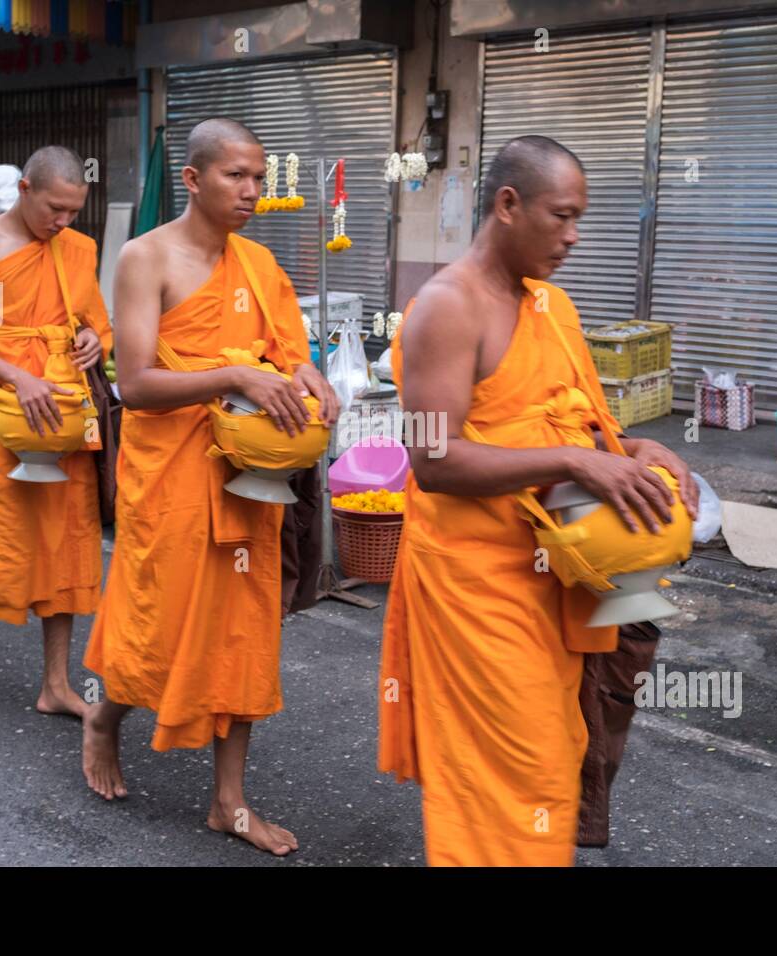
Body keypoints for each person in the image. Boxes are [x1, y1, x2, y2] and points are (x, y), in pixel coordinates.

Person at [377, 135, 699, 866]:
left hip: (560, 576)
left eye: (580, 218)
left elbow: (583, 422)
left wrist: (634, 454)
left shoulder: (553, 305)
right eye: (563, 216)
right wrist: (570, 460)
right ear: (509, 204)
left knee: (554, 758)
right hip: (477, 587)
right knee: (510, 772)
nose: (574, 237)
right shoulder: (444, 309)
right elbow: (432, 460)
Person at [80, 118, 337, 857]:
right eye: (237, 176)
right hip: (172, 476)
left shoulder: (260, 264)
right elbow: (133, 385)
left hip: (248, 478)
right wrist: (232, 374)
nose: (253, 190)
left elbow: (288, 356)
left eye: (259, 177)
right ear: (192, 180)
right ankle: (106, 718)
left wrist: (311, 378)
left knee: (243, 634)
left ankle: (229, 802)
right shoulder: (144, 257)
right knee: (158, 619)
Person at [0, 145, 111, 717]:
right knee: (9, 546)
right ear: (25, 190)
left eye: (73, 211)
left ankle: (56, 685)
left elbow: (92, 323)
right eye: (54, 208)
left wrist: (94, 341)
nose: (62, 222)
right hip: (6, 413)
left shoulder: (77, 249)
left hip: (63, 410)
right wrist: (20, 378)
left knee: (66, 546)